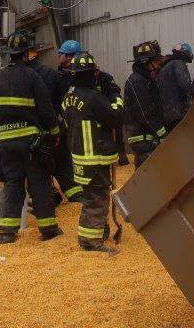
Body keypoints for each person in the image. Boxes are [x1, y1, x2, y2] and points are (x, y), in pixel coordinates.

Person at [0, 31, 61, 244]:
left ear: (9, 53)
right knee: (38, 183)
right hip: (31, 142)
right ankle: (48, 229)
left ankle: (7, 232)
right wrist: (54, 133)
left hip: (6, 142)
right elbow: (46, 109)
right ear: (27, 53)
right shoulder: (32, 77)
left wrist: (1, 126)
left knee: (12, 182)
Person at [60, 51, 123, 251]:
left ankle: (99, 231)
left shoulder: (68, 97)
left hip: (79, 156)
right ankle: (90, 241)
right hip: (95, 157)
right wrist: (116, 97)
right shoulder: (94, 98)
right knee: (97, 198)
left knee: (91, 196)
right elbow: (116, 118)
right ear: (90, 74)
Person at [27, 39, 81, 203]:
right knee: (61, 158)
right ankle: (72, 192)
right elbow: (61, 102)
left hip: (24, 131)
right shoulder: (50, 74)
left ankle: (42, 195)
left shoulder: (8, 77)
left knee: (36, 167)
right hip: (51, 127)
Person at [123, 40, 166, 168]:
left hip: (149, 135)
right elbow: (145, 112)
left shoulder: (147, 80)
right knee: (147, 171)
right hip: (142, 139)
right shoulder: (137, 82)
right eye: (156, 61)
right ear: (146, 62)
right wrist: (162, 133)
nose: (158, 65)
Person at [157, 42, 194, 132]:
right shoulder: (178, 64)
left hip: (168, 117)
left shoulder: (164, 68)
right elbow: (186, 86)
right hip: (180, 114)